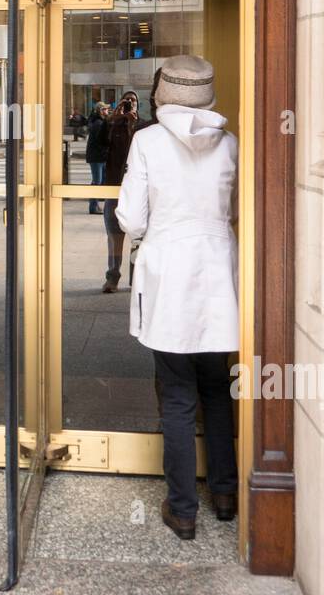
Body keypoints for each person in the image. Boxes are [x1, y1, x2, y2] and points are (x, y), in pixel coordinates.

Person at [115, 55, 239, 541]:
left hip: (169, 275)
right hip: (219, 275)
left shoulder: (147, 141)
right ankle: (225, 494)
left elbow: (132, 218)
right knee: (216, 388)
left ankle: (183, 508)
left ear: (161, 94)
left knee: (177, 394)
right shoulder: (229, 143)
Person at [101, 90, 149, 292]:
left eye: (133, 101)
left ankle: (136, 280)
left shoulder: (144, 126)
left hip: (137, 189)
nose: (130, 104)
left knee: (138, 236)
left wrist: (132, 126)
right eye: (126, 101)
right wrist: (111, 121)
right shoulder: (112, 125)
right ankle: (113, 277)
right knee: (114, 235)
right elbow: (97, 147)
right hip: (114, 186)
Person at [85, 102, 109, 213]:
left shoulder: (100, 122)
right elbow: (101, 140)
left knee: (99, 181)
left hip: (100, 156)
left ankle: (95, 205)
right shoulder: (98, 123)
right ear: (100, 111)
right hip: (97, 157)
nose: (107, 111)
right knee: (97, 181)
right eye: (105, 109)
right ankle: (93, 207)